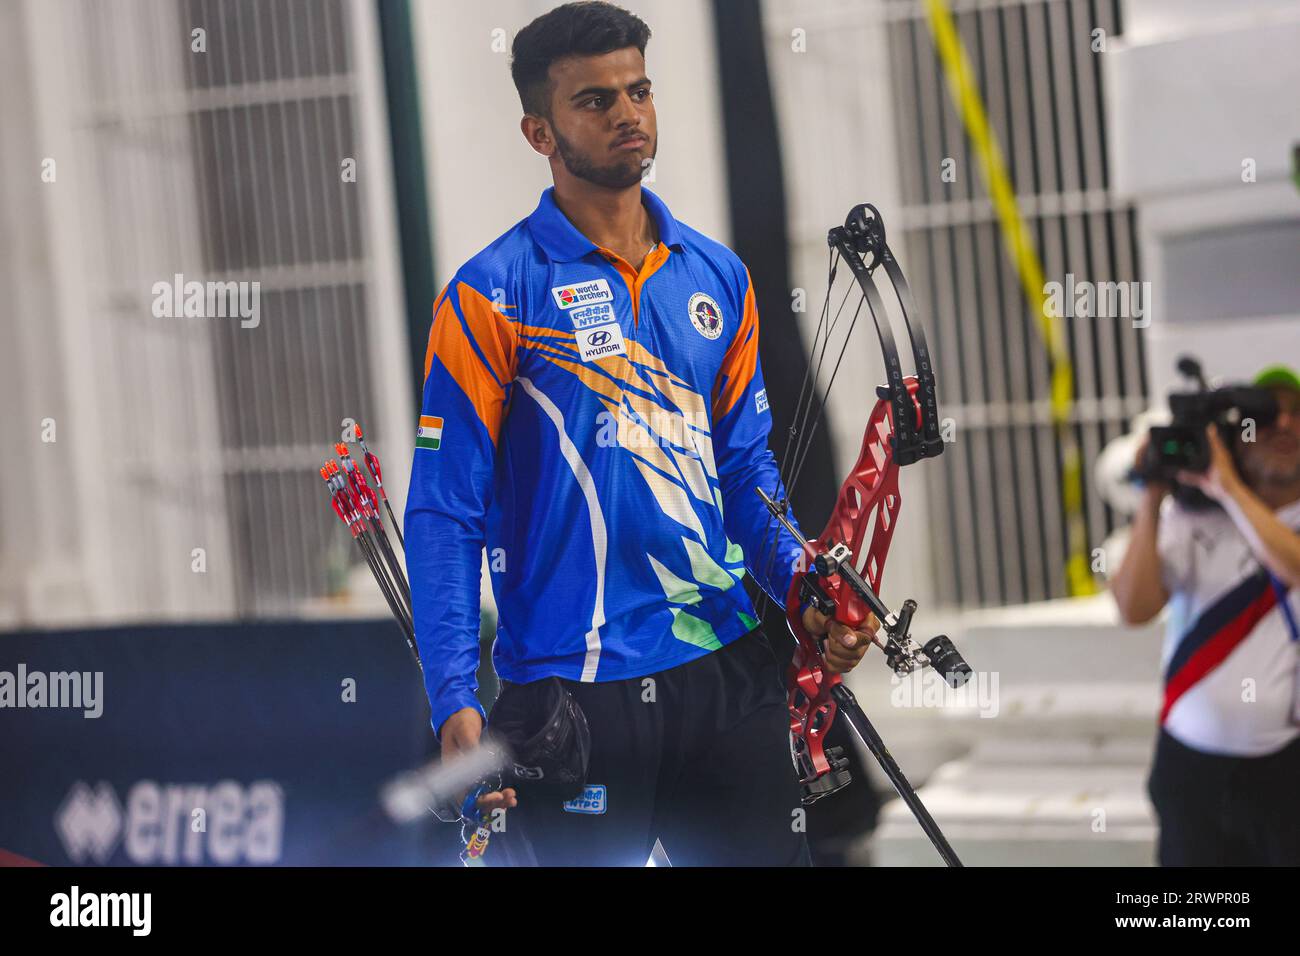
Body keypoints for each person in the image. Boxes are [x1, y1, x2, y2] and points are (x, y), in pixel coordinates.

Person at [403, 1, 876, 866]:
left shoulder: (717, 276)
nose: (627, 112)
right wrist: (452, 699)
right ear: (538, 132)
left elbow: (745, 478)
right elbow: (443, 512)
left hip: (725, 669)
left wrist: (808, 585)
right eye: (595, 100)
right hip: (572, 699)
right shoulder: (487, 296)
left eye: (640, 90)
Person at [1110, 365, 1300, 866]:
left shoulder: (1255, 509)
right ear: (1239, 437)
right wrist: (1151, 495)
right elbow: (1134, 608)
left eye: (1297, 414)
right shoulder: (1190, 514)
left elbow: (1295, 567)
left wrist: (1229, 489)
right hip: (1189, 769)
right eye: (1267, 417)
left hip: (1283, 771)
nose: (1284, 426)